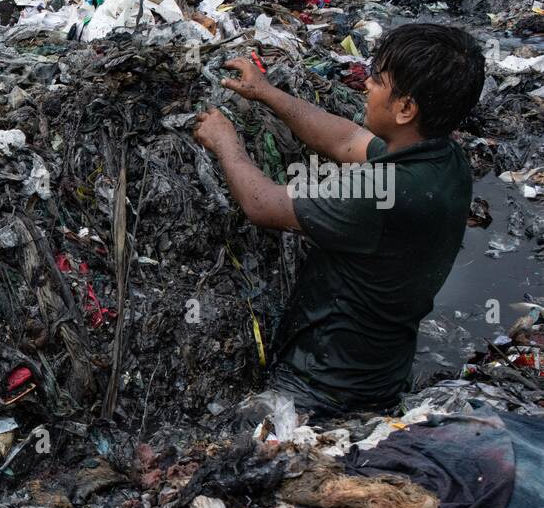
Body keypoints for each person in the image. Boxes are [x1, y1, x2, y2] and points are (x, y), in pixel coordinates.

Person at [194, 23, 485, 418]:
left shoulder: (384, 193)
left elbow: (262, 205)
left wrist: (226, 142)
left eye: (378, 80)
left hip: (322, 386)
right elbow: (345, 140)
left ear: (405, 109)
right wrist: (266, 92)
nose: (366, 84)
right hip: (381, 373)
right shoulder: (446, 162)